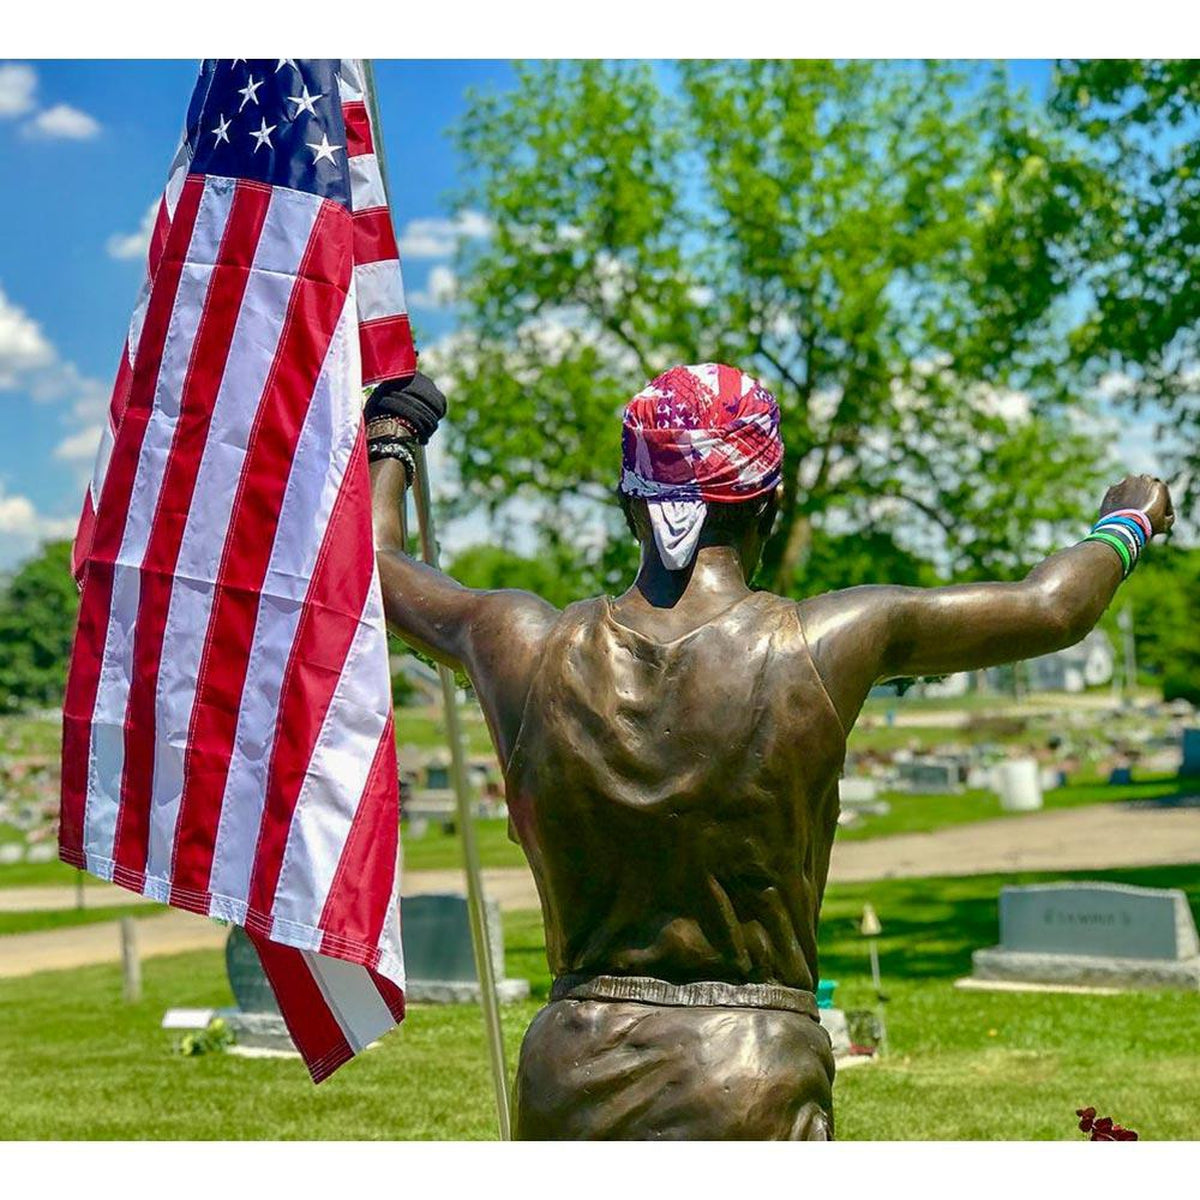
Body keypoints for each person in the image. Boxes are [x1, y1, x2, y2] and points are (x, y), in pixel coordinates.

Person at [365, 363, 1174, 1140]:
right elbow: (1052, 607)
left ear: (628, 503)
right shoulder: (824, 642)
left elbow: (378, 563)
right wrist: (1127, 522)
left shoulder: (522, 643)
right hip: (752, 1081)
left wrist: (393, 438)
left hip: (568, 1075)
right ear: (772, 504)